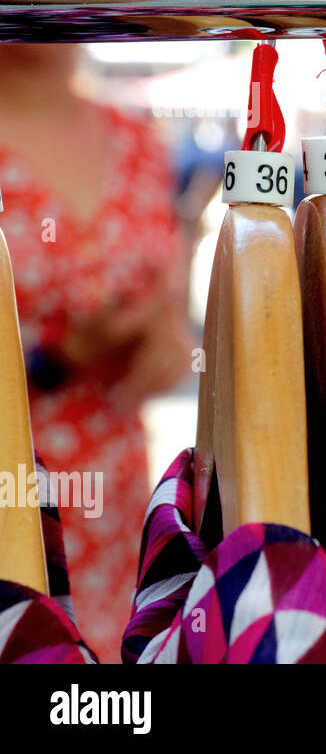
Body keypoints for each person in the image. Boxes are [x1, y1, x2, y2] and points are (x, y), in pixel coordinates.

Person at [0, 44, 192, 661]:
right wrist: (55, 359)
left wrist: (164, 346)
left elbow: (165, 303)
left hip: (117, 491)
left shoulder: (135, 140)